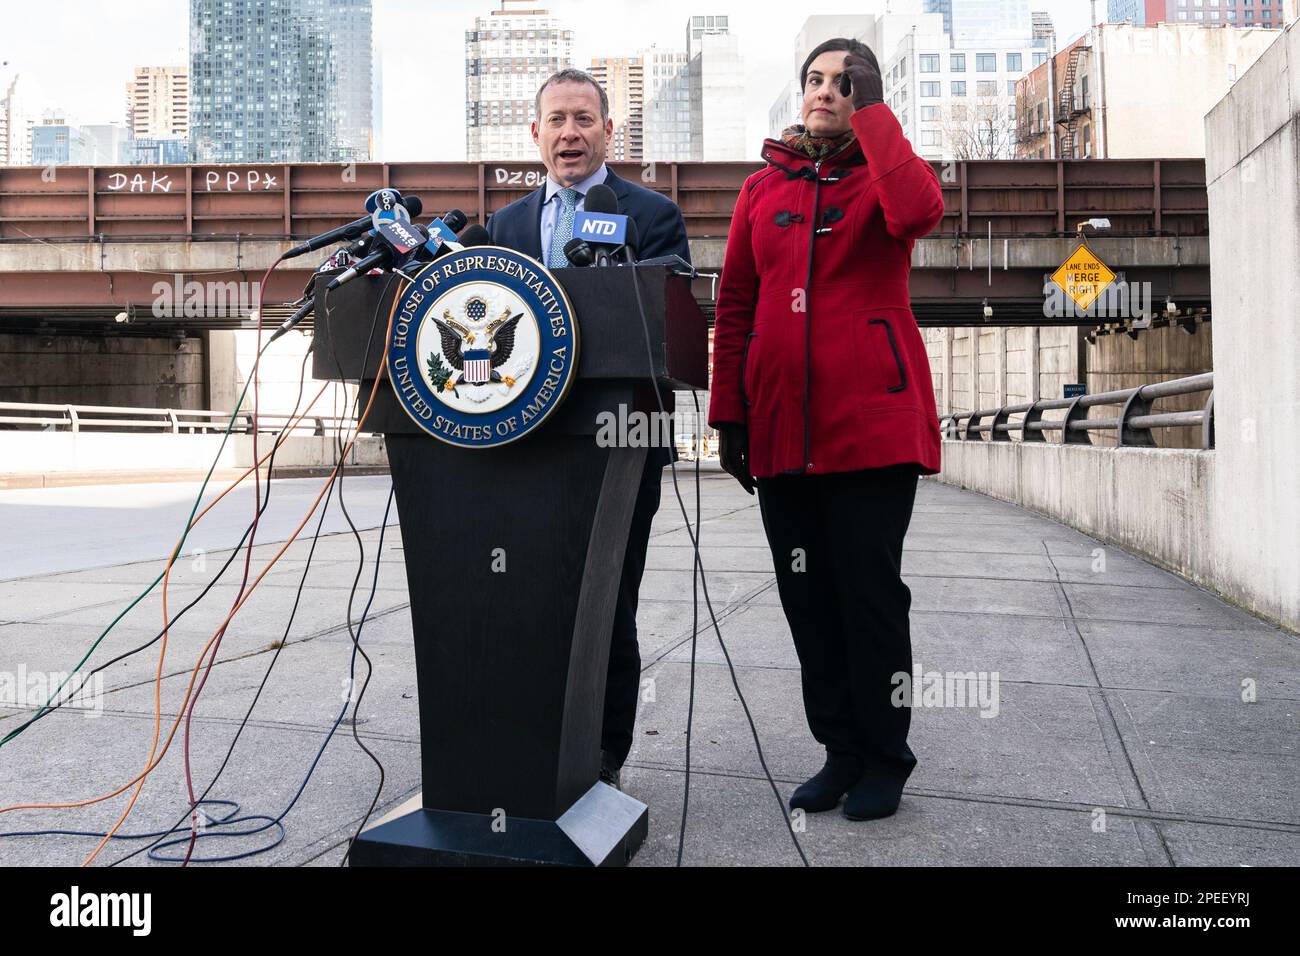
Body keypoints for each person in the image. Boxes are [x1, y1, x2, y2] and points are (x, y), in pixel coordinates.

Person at [707, 38, 944, 820]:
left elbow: (920, 212)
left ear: (867, 96)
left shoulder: (885, 177)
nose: (826, 92)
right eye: (816, 79)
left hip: (872, 431)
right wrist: (729, 415)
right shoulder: (760, 192)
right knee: (807, 596)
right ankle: (840, 750)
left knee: (870, 597)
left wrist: (876, 117)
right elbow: (736, 306)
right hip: (782, 430)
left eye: (846, 83)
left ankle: (887, 755)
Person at [486, 69, 691, 790]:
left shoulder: (651, 213)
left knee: (606, 596)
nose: (569, 133)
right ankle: (535, 734)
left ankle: (602, 751)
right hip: (523, 445)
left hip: (620, 443)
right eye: (556, 120)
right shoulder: (504, 227)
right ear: (535, 133)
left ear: (608, 131)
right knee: (527, 597)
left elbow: (670, 319)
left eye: (583, 119)